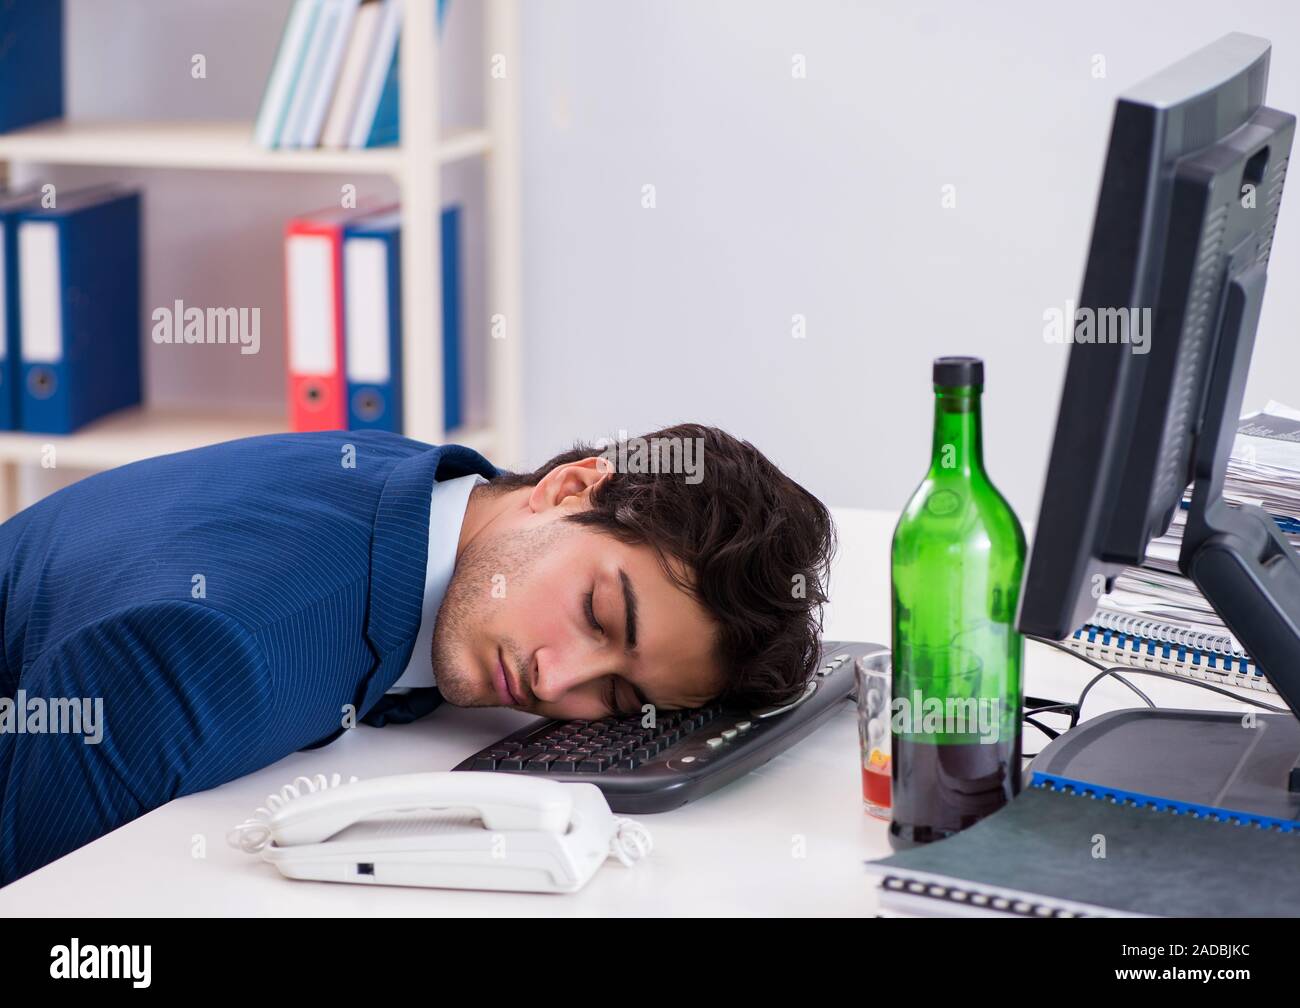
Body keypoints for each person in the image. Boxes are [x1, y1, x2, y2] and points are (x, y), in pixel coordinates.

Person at [0, 422, 833, 885]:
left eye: (617, 700)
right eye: (597, 615)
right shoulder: (215, 651)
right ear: (572, 487)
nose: (557, 679)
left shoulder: (447, 497)